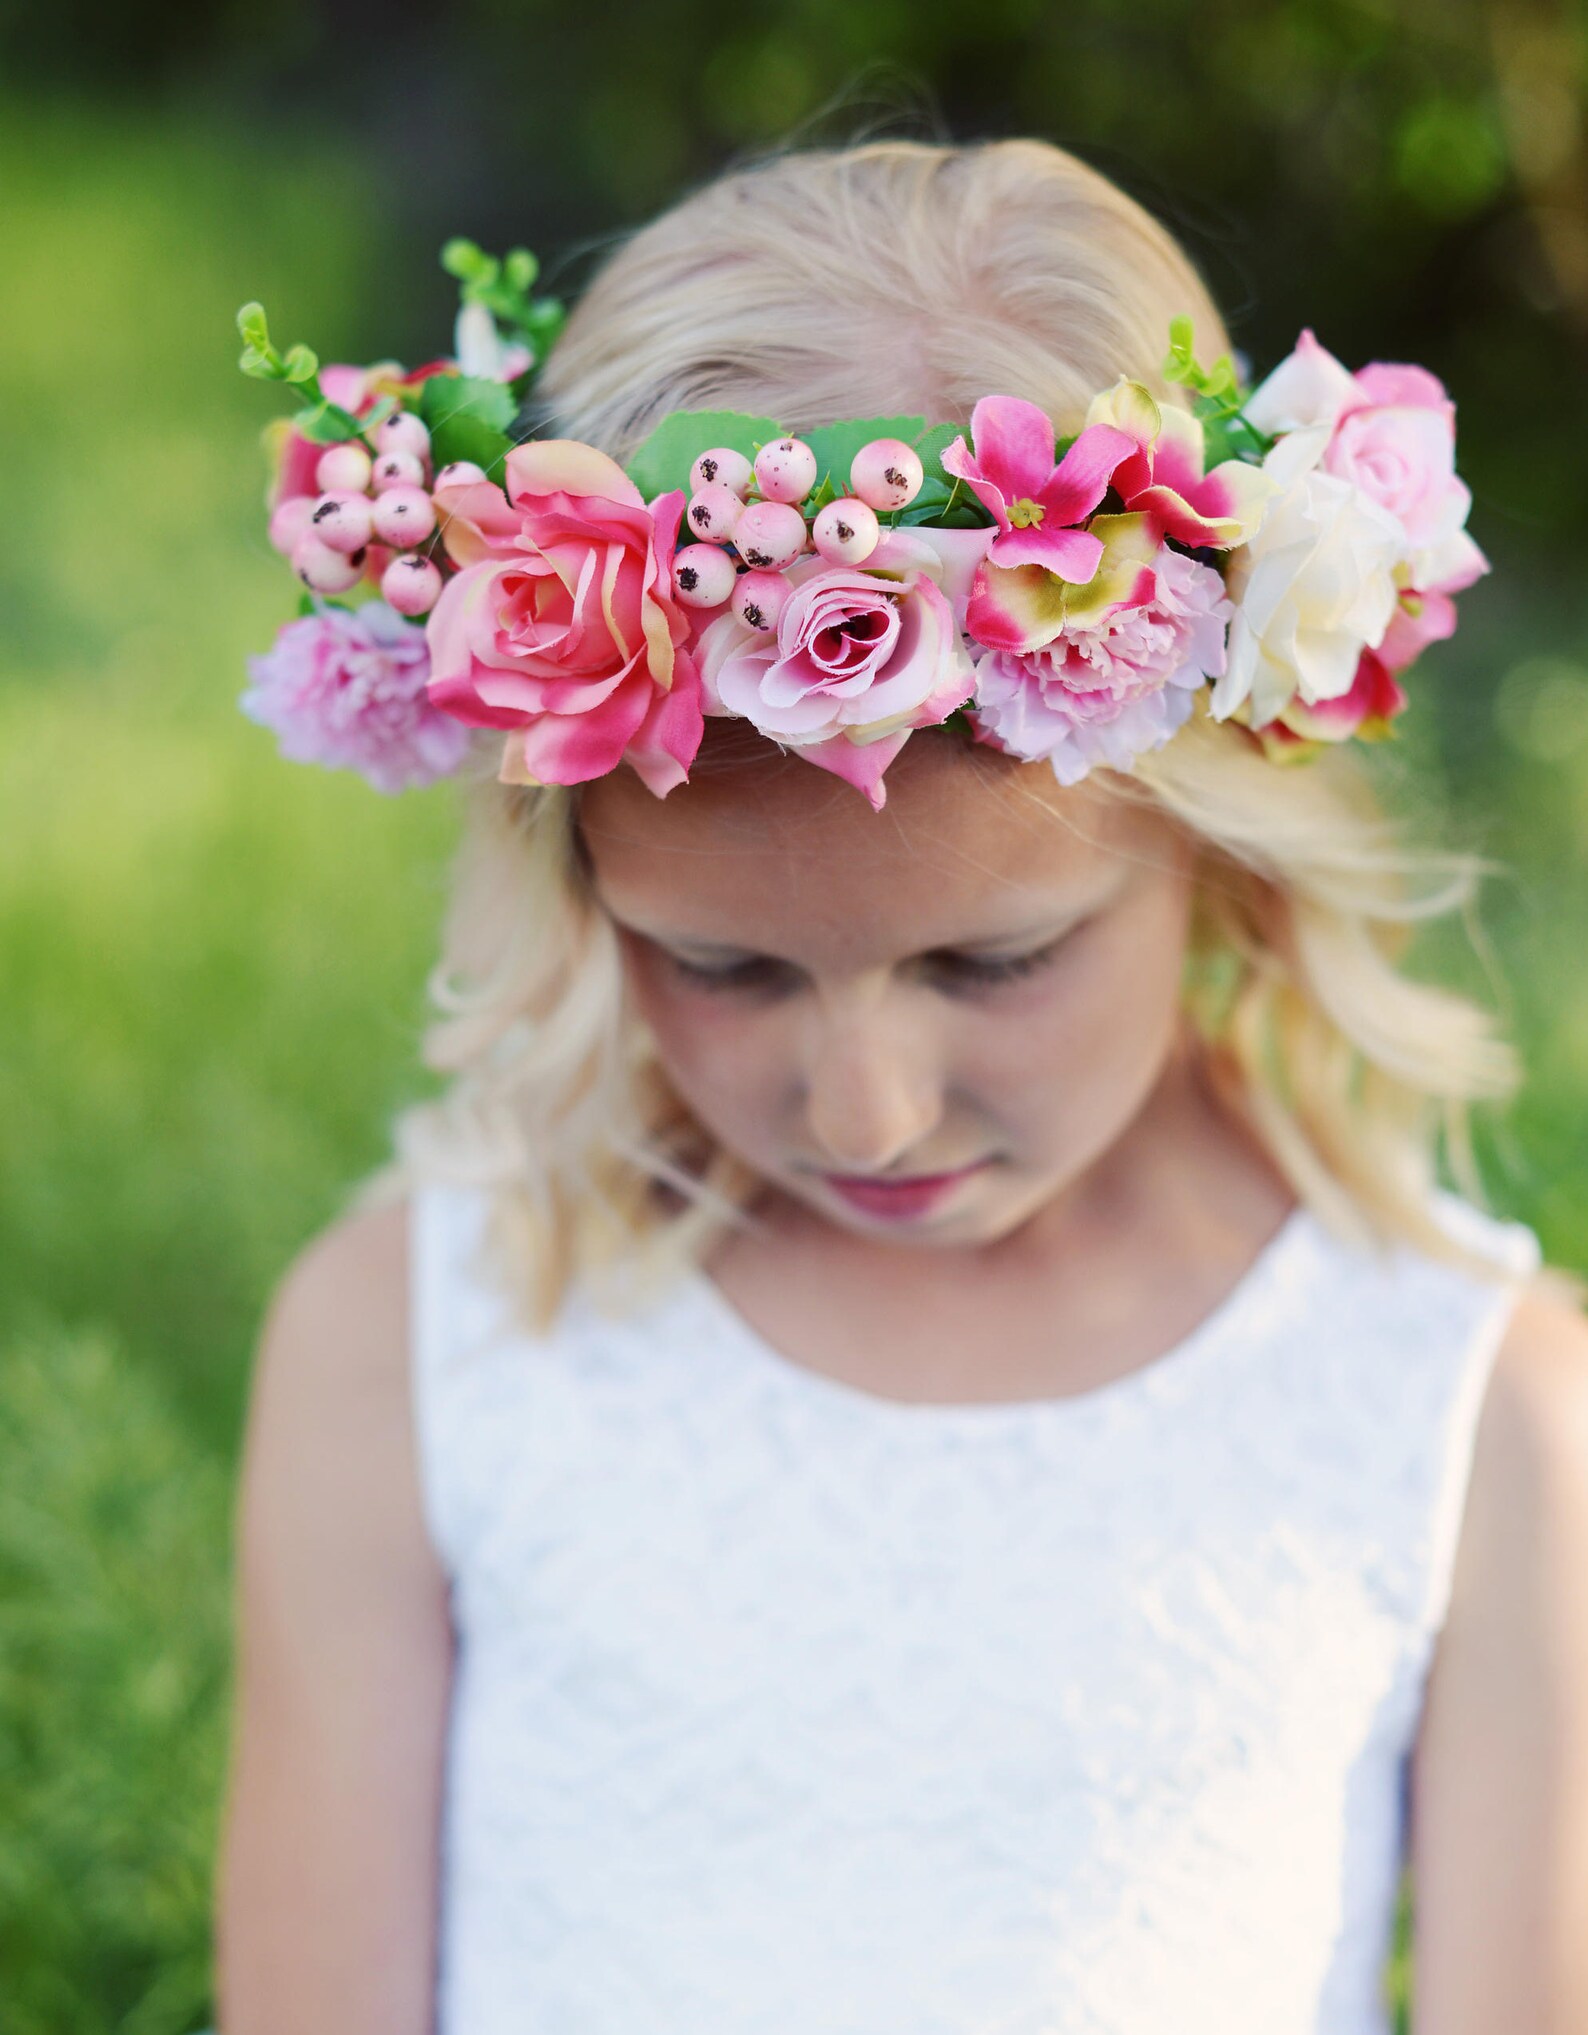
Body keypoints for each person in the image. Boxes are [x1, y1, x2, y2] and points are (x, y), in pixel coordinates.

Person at [213, 138, 1588, 2034]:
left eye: (992, 961)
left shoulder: (1468, 1408)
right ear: (575, 884)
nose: (865, 1112)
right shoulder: (413, 1348)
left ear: (1230, 853)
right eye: (723, 969)